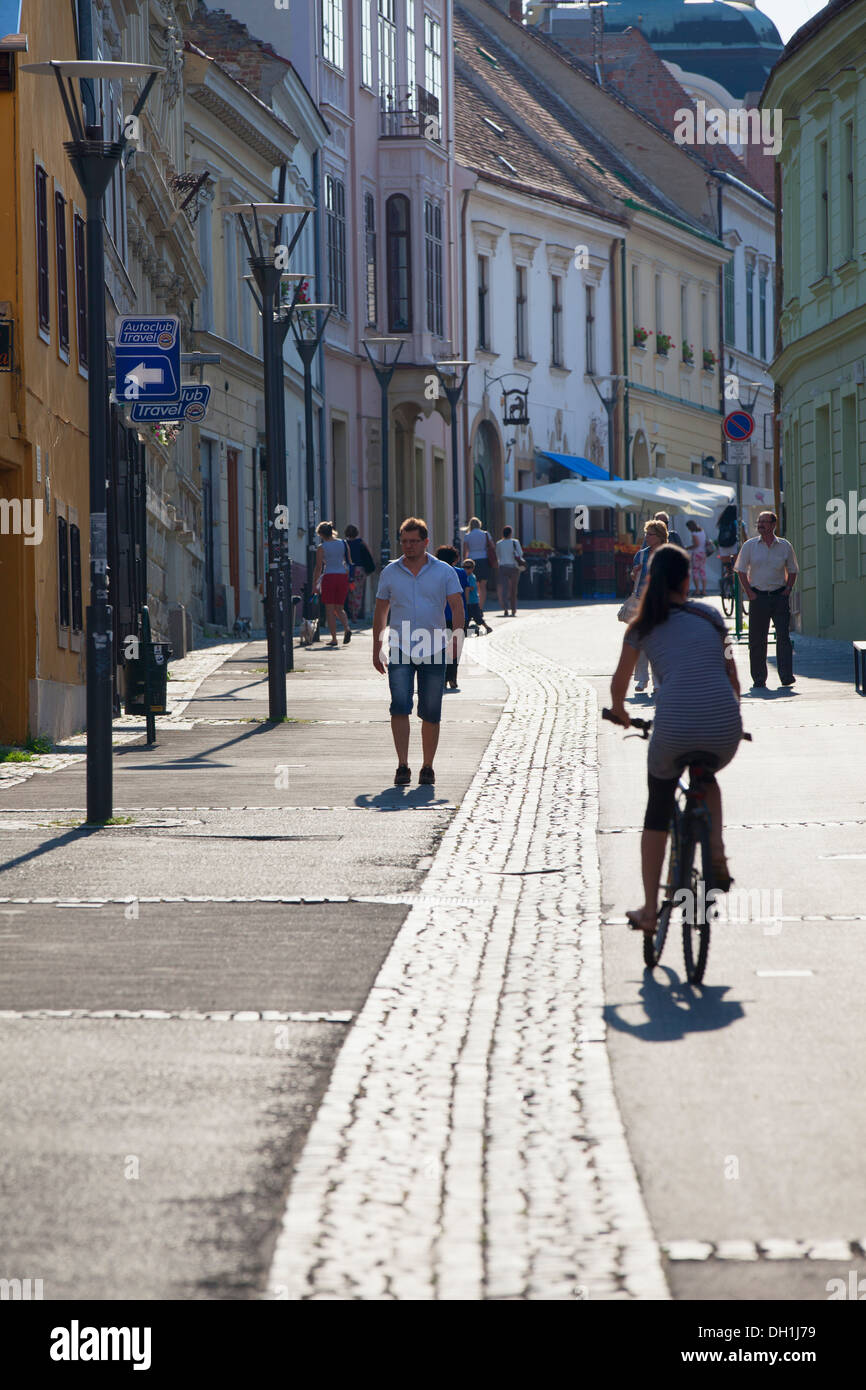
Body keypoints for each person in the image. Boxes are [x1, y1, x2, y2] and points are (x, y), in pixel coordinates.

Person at [610, 544, 742, 934]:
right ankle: (716, 855)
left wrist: (621, 715)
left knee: (658, 806)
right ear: (687, 580)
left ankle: (651, 911)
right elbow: (733, 678)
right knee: (708, 776)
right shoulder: (714, 617)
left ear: (649, 579)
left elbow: (618, 687)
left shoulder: (640, 626)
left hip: (673, 729)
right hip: (723, 728)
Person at [374, 517, 464, 786]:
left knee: (431, 710)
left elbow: (457, 607)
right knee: (399, 706)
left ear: (426, 542)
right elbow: (381, 610)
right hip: (400, 647)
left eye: (414, 541)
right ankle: (402, 765)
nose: (409, 546)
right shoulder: (390, 572)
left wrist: (457, 638)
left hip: (434, 646)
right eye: (404, 541)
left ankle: (427, 766)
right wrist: (376, 646)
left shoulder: (444, 571)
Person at [734, 511, 799, 689]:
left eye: (764, 521)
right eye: (759, 521)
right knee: (756, 640)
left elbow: (793, 570)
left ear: (773, 525)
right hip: (758, 597)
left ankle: (786, 676)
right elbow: (740, 570)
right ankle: (759, 678)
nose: (760, 524)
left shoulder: (785, 546)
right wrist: (749, 592)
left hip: (779, 596)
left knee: (783, 637)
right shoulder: (750, 546)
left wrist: (787, 589)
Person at [629, 519, 668, 693]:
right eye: (646, 533)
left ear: (660, 536)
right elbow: (633, 578)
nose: (646, 537)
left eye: (650, 534)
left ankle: (658, 682)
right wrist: (634, 573)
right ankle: (641, 679)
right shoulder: (641, 554)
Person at [312, 521, 352, 647]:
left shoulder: (321, 547)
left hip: (329, 577)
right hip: (342, 576)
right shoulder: (343, 543)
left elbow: (319, 567)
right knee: (339, 608)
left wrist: (315, 584)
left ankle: (334, 638)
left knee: (330, 610)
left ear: (321, 534)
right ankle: (347, 628)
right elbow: (349, 561)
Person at [436, 545, 470, 690]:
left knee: (440, 648)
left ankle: (442, 678)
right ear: (455, 559)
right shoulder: (461, 573)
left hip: (440, 615)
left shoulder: (435, 572)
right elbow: (465, 595)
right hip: (458, 615)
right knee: (456, 647)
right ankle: (453, 678)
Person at [343, 523, 376, 624]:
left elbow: (343, 557)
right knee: (358, 592)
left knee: (350, 591)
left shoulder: (344, 543)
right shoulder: (361, 542)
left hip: (349, 570)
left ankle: (350, 612)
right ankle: (355, 614)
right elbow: (369, 554)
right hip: (360, 570)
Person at [462, 516, 496, 608]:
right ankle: (480, 607)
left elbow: (465, 551)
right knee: (483, 585)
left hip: (472, 560)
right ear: (479, 524)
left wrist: (464, 562)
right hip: (484, 560)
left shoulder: (467, 536)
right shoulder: (485, 534)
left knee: (474, 584)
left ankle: (474, 605)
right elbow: (492, 546)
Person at [495, 525, 524, 615]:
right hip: (514, 567)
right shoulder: (515, 542)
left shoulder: (499, 543)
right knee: (513, 589)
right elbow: (521, 553)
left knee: (504, 588)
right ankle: (513, 609)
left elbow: (498, 556)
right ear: (511, 533)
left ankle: (505, 608)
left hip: (503, 567)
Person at [462, 559, 492, 635]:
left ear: (473, 568)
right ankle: (465, 630)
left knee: (477, 617)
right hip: (471, 601)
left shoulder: (470, 577)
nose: (466, 569)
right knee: (467, 618)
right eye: (464, 567)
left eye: (468, 567)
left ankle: (487, 627)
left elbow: (469, 589)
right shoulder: (467, 576)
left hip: (472, 602)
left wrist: (466, 601)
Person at [685, 519, 708, 597]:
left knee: (695, 571)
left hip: (696, 553)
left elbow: (696, 544)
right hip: (703, 553)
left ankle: (697, 590)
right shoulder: (702, 531)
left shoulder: (694, 533)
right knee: (703, 571)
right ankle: (704, 590)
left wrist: (687, 548)